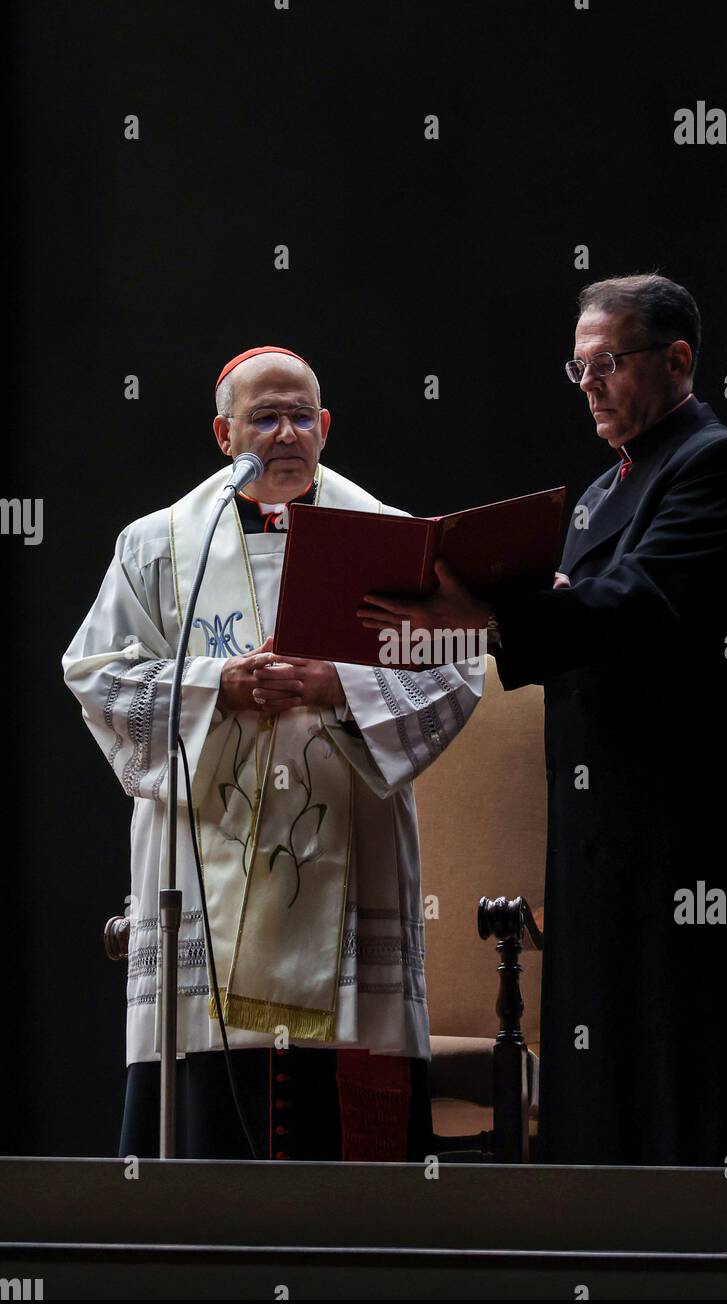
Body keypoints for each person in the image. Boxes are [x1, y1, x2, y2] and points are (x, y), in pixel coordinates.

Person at [358, 275, 727, 1167]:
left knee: (688, 1040)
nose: (589, 383)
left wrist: (490, 615)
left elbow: (636, 606)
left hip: (688, 814)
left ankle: (708, 1251)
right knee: (605, 1034)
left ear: (677, 360)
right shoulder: (599, 495)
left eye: (608, 363)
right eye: (579, 366)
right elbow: (577, 612)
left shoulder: (718, 465)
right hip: (601, 818)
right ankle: (604, 1238)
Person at [62, 344, 484, 1162]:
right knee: (209, 1118)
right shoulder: (157, 545)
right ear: (225, 434)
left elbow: (458, 661)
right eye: (265, 417)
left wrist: (341, 686)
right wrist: (219, 686)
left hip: (349, 846)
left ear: (324, 428)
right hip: (205, 862)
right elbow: (97, 676)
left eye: (301, 416)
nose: (286, 432)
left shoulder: (389, 537)